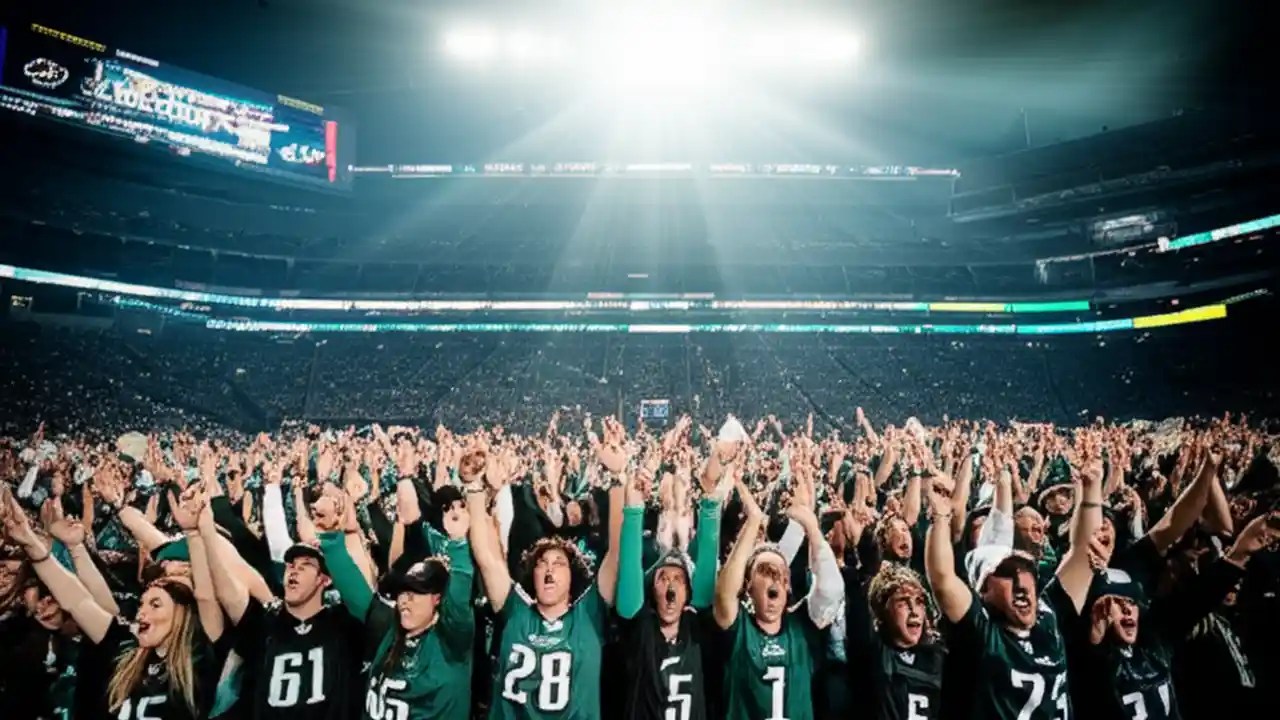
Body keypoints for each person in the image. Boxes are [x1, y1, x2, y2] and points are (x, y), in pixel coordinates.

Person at [1, 487, 226, 720]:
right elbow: (79, 601)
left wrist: (193, 533)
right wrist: (32, 544)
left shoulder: (199, 658)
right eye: (143, 604)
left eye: (155, 604)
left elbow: (205, 597)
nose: (142, 613)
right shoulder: (127, 649)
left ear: (183, 613)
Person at [465, 419, 624, 720]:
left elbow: (616, 553)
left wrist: (617, 478)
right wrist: (474, 487)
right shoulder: (515, 609)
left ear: (572, 576)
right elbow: (486, 556)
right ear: (532, 575)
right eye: (542, 564)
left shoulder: (588, 614)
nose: (549, 569)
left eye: (559, 563)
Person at [925, 452, 1103, 720]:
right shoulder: (982, 632)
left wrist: (1091, 491)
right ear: (983, 591)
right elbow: (942, 578)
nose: (1022, 584)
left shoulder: (1048, 613)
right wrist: (940, 517)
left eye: (1027, 571)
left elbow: (1082, 552)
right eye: (1007, 575)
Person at [1070, 512, 1280, 720]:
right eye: (1113, 603)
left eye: (1131, 602)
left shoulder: (1153, 641)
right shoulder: (1080, 662)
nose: (1126, 609)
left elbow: (1196, 599)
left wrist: (1240, 553)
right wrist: (1094, 644)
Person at [316, 478, 475, 720]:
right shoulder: (389, 629)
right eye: (404, 591)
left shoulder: (452, 642)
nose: (405, 600)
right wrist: (329, 538)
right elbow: (355, 593)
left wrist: (457, 543)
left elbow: (460, 594)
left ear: (437, 599)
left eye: (417, 592)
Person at [203, 483, 364, 720]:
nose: (294, 571)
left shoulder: (343, 624)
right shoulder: (266, 624)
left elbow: (365, 595)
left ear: (325, 580)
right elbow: (231, 589)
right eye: (290, 566)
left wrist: (348, 533)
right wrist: (203, 530)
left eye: (305, 566)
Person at [712, 444, 845, 720]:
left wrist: (812, 526)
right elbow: (725, 594)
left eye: (779, 572)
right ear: (748, 586)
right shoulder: (739, 630)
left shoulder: (803, 628)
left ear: (788, 586)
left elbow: (832, 589)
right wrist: (753, 523)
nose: (773, 575)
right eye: (763, 571)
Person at [614, 441, 730, 720]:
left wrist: (710, 496)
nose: (670, 585)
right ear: (651, 589)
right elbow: (629, 598)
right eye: (662, 579)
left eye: (679, 579)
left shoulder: (698, 631)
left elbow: (703, 590)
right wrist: (632, 512)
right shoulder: (640, 630)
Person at [845, 562, 945, 720]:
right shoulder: (871, 655)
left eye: (919, 602)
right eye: (903, 602)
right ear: (882, 611)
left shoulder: (937, 657)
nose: (914, 612)